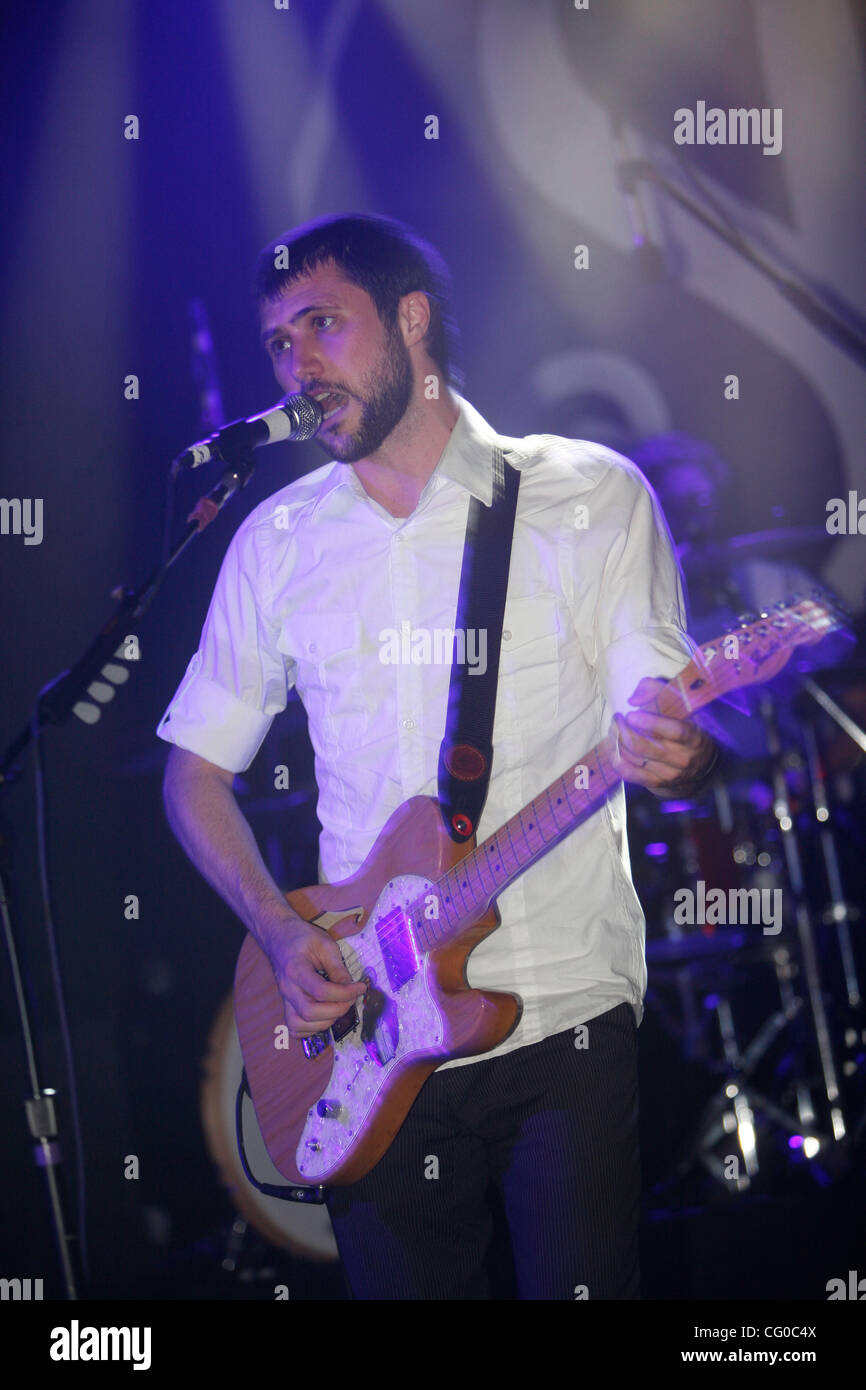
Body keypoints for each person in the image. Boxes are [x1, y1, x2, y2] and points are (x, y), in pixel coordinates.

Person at [157, 213, 718, 1300]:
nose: (297, 364)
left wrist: (677, 748)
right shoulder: (274, 540)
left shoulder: (587, 494)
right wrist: (279, 933)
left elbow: (666, 731)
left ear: (410, 321)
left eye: (323, 325)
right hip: (367, 1042)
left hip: (559, 1010)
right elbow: (194, 774)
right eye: (278, 342)